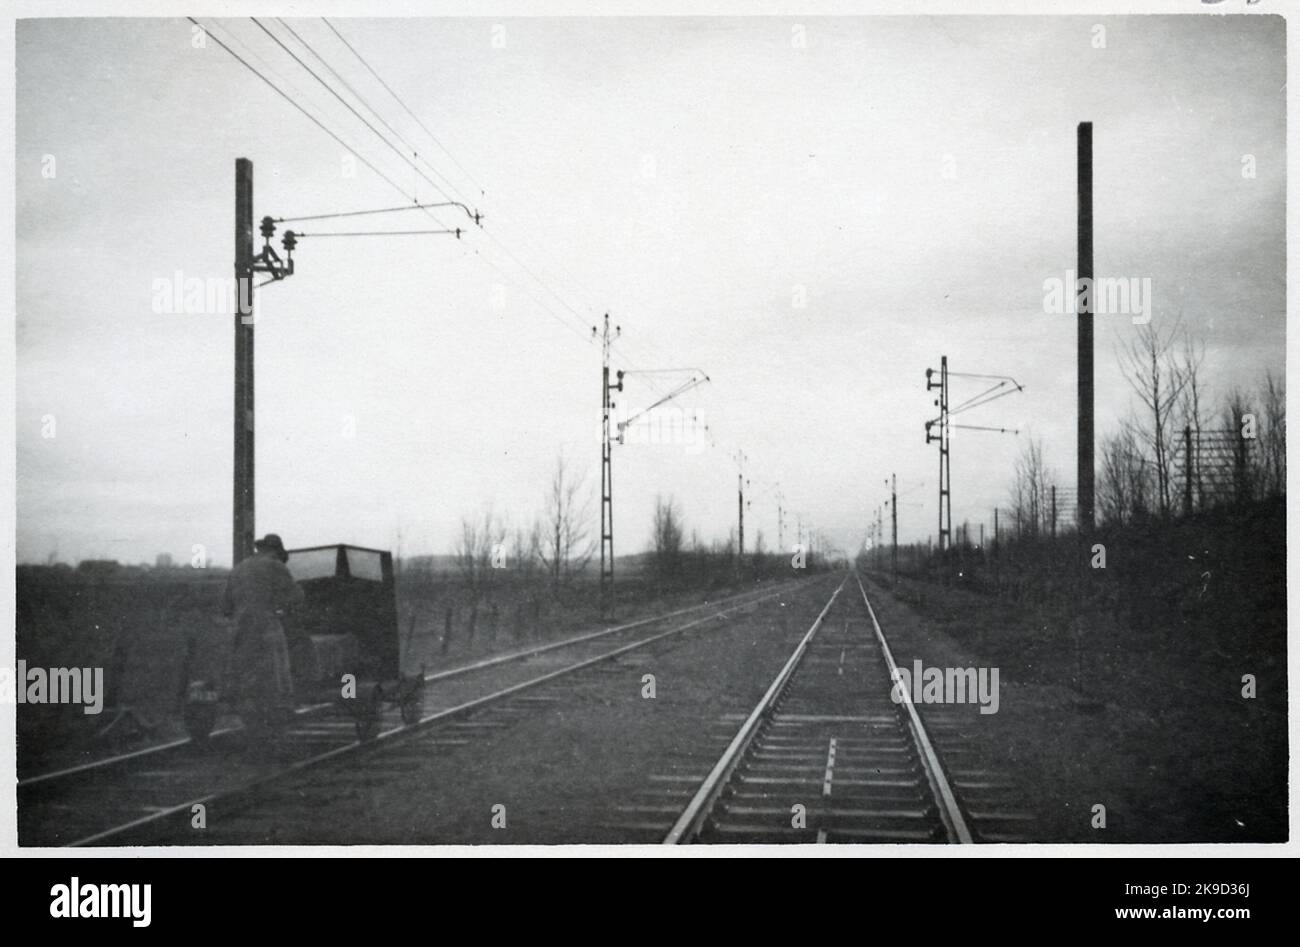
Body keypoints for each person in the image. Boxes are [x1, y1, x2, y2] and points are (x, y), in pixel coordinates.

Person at [222, 533, 304, 750]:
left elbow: (226, 606)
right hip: (266, 629)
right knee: (276, 678)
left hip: (239, 631)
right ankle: (275, 731)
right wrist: (280, 606)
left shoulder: (239, 568)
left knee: (247, 680)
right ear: (277, 551)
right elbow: (296, 597)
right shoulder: (276, 566)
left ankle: (252, 731)